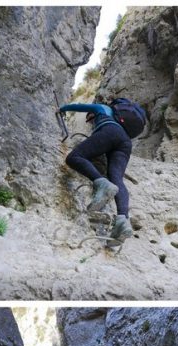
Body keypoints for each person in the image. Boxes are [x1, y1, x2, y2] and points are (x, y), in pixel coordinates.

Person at [58, 97, 145, 241]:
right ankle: (123, 220)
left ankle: (101, 183)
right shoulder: (121, 121)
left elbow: (80, 107)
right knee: (117, 179)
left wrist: (62, 109)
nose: (90, 122)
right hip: (125, 143)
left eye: (89, 119)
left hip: (110, 132)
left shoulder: (103, 108)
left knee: (74, 157)